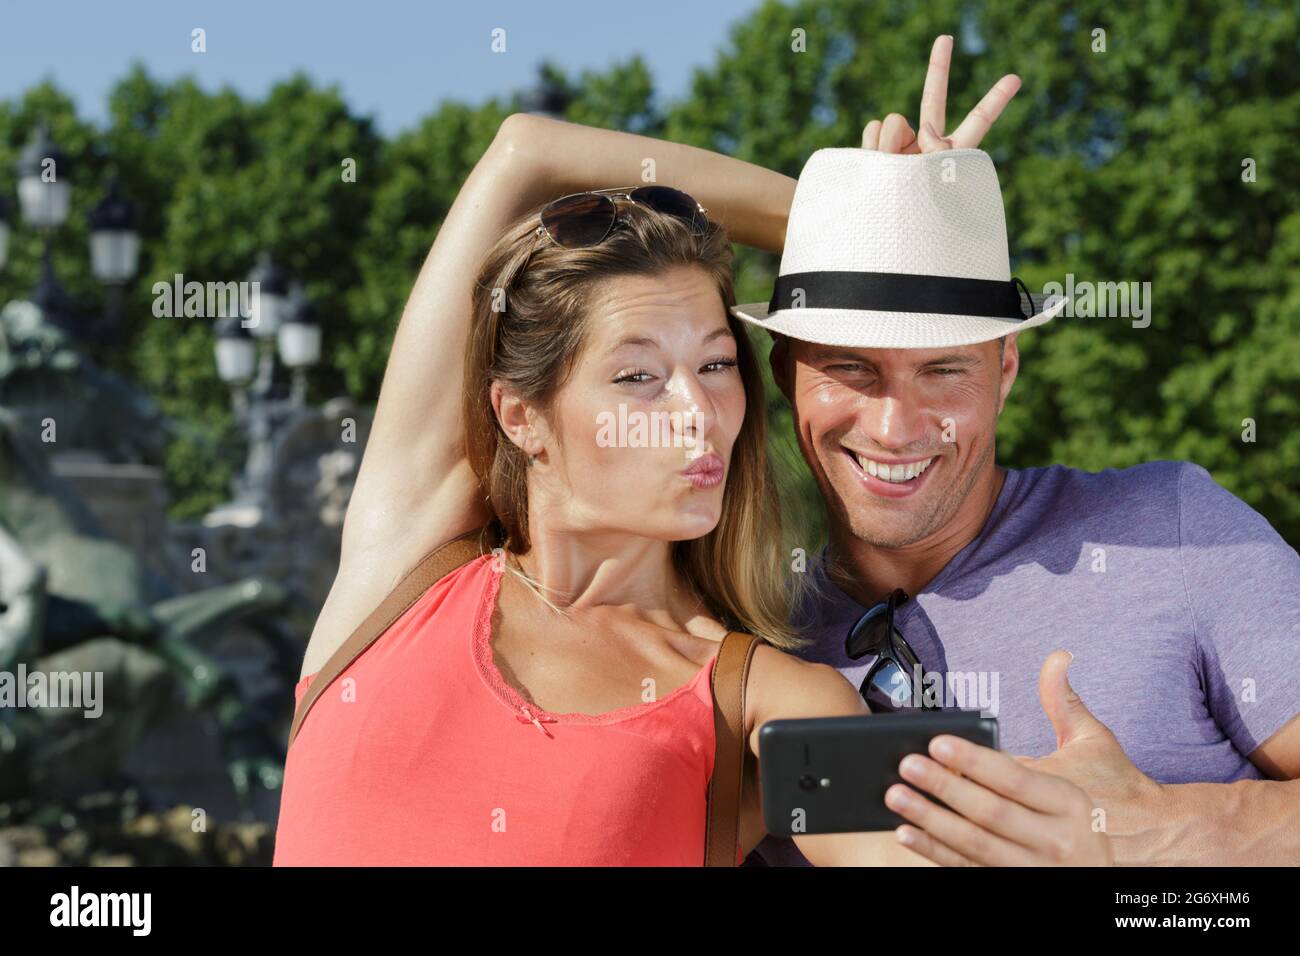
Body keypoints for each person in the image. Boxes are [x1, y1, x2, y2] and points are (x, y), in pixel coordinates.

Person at [273, 38, 1111, 866]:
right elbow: (527, 152)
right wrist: (862, 222)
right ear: (522, 417)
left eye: (715, 365)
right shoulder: (407, 560)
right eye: (638, 375)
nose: (698, 413)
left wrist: (1085, 856)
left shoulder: (769, 702)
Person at [740, 37, 1300, 867]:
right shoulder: (740, 628)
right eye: (850, 366)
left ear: (1006, 369)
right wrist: (873, 213)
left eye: (943, 369)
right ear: (787, 373)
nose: (895, 428)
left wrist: (1169, 832)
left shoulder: (1177, 526)